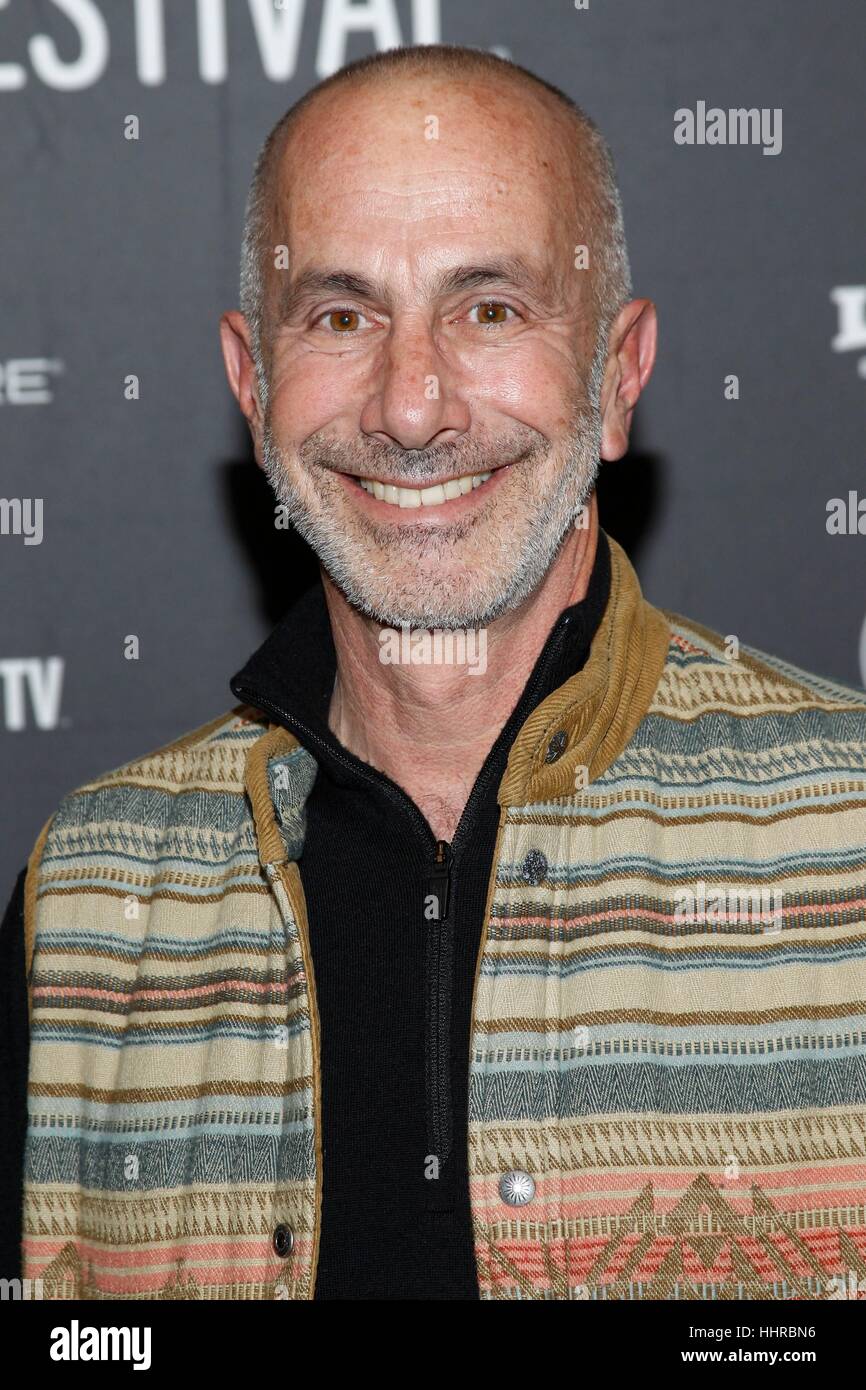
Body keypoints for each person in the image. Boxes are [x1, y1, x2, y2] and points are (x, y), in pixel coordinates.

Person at [4, 44, 866, 1302]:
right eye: (342, 316)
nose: (411, 407)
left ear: (617, 376)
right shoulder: (83, 905)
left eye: (490, 309)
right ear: (252, 388)